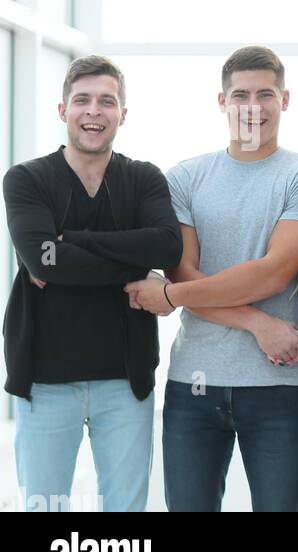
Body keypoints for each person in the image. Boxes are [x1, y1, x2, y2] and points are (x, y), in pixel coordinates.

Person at [129, 46, 298, 512]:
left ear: (285, 100)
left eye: (265, 94)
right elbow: (185, 271)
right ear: (221, 102)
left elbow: (272, 274)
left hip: (277, 385)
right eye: (240, 95)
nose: (253, 107)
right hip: (191, 384)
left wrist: (170, 295)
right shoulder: (183, 177)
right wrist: (258, 324)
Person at [4, 55, 181, 511]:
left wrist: (75, 243)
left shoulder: (143, 179)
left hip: (124, 380)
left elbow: (166, 248)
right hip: (44, 381)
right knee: (44, 507)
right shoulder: (27, 179)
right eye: (82, 100)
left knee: (125, 511)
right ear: (63, 111)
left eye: (107, 101)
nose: (94, 111)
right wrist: (132, 265)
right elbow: (46, 261)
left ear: (122, 113)